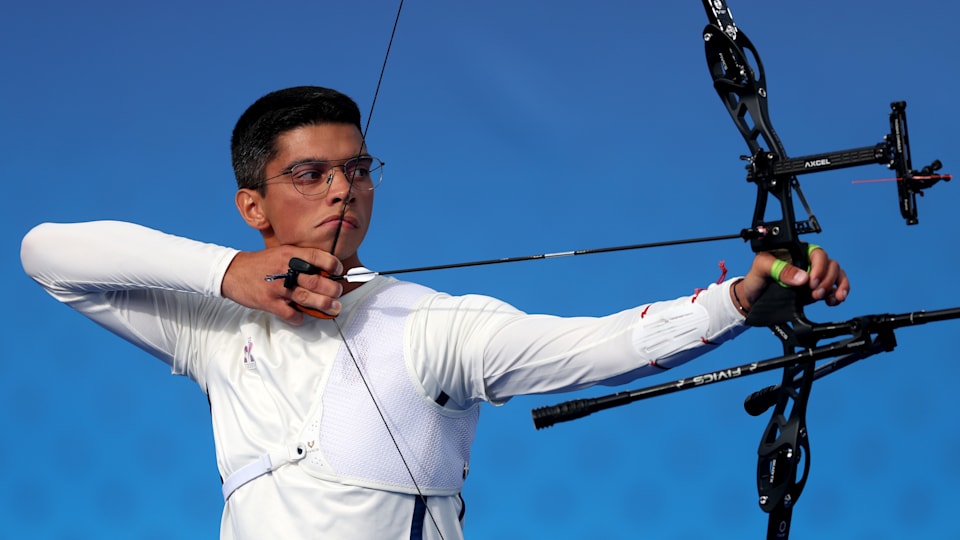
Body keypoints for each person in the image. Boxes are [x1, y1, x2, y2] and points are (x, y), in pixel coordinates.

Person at [20, 86, 849, 540]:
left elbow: (599, 347)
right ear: (252, 204)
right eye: (310, 174)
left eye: (357, 169)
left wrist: (737, 302)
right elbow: (49, 256)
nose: (343, 188)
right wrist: (230, 274)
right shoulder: (215, 326)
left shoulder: (429, 324)